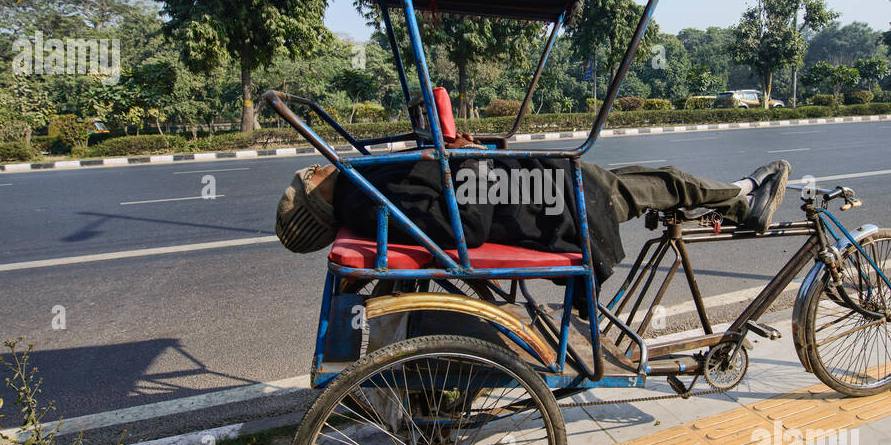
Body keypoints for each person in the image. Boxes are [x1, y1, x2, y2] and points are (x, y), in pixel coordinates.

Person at [276, 136, 791, 290]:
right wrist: (467, 158)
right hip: (549, 205)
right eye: (310, 175)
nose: (315, 168)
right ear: (316, 196)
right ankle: (745, 195)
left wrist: (450, 153)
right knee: (666, 181)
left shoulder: (362, 189)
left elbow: (441, 191)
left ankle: (740, 197)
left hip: (538, 191)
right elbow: (466, 225)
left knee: (645, 177)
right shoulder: (365, 199)